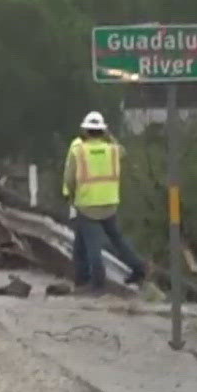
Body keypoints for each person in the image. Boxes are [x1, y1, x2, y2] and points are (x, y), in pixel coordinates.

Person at [63, 110, 148, 293]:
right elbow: (123, 151)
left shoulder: (79, 151)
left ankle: (97, 284)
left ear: (85, 131)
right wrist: (109, 135)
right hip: (110, 203)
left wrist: (70, 196)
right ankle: (138, 268)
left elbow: (70, 178)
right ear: (103, 131)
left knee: (93, 245)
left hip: (87, 205)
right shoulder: (113, 150)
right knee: (117, 240)